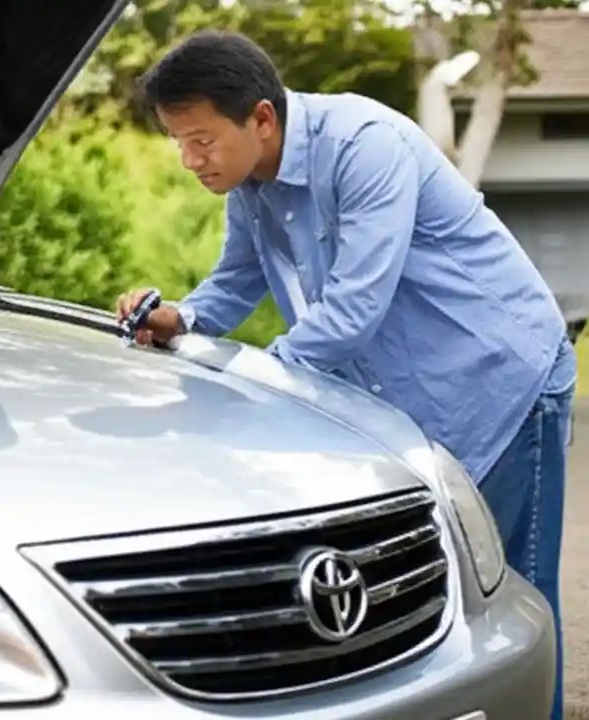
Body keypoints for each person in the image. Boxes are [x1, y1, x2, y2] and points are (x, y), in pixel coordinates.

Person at [116, 30, 576, 719]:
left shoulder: (365, 146)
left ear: (261, 118)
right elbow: (236, 280)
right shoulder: (251, 185)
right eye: (179, 142)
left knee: (513, 606)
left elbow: (356, 305)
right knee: (439, 602)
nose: (189, 160)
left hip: (501, 380)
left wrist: (265, 388)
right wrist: (180, 318)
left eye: (201, 140)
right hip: (415, 406)